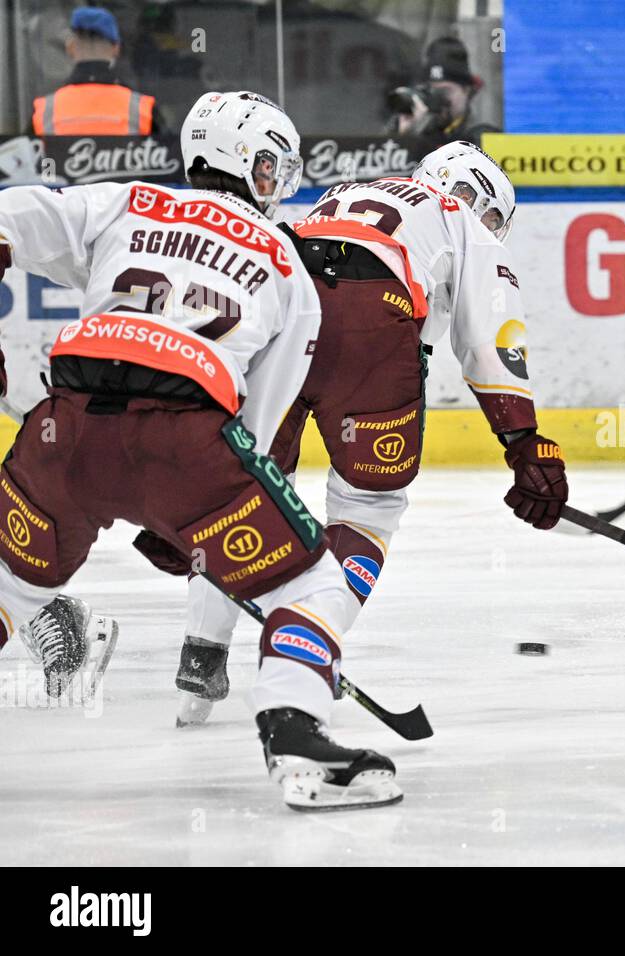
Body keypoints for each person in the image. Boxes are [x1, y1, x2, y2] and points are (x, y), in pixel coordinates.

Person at [0, 89, 399, 811]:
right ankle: (296, 735)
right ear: (248, 163)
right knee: (310, 586)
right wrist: (188, 529)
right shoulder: (285, 261)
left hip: (64, 431)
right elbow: (258, 428)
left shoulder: (128, 203)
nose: (281, 183)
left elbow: (6, 220)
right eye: (275, 166)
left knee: (10, 587)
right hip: (184, 443)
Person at [177, 140, 563, 724]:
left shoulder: (341, 195)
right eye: (492, 219)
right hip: (368, 313)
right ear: (478, 201)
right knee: (369, 503)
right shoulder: (460, 220)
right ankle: (303, 648)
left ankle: (201, 657)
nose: (489, 230)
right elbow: (490, 333)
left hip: (281, 296)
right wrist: (524, 441)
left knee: (244, 485)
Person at [31, 6, 161, 137]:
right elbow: (170, 150)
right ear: (116, 49)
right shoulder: (142, 109)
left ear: (70, 48)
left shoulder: (44, 110)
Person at [385, 36, 499, 151]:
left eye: (444, 91)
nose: (436, 97)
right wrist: (405, 138)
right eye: (431, 90)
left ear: (466, 90)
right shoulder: (418, 127)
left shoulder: (483, 135)